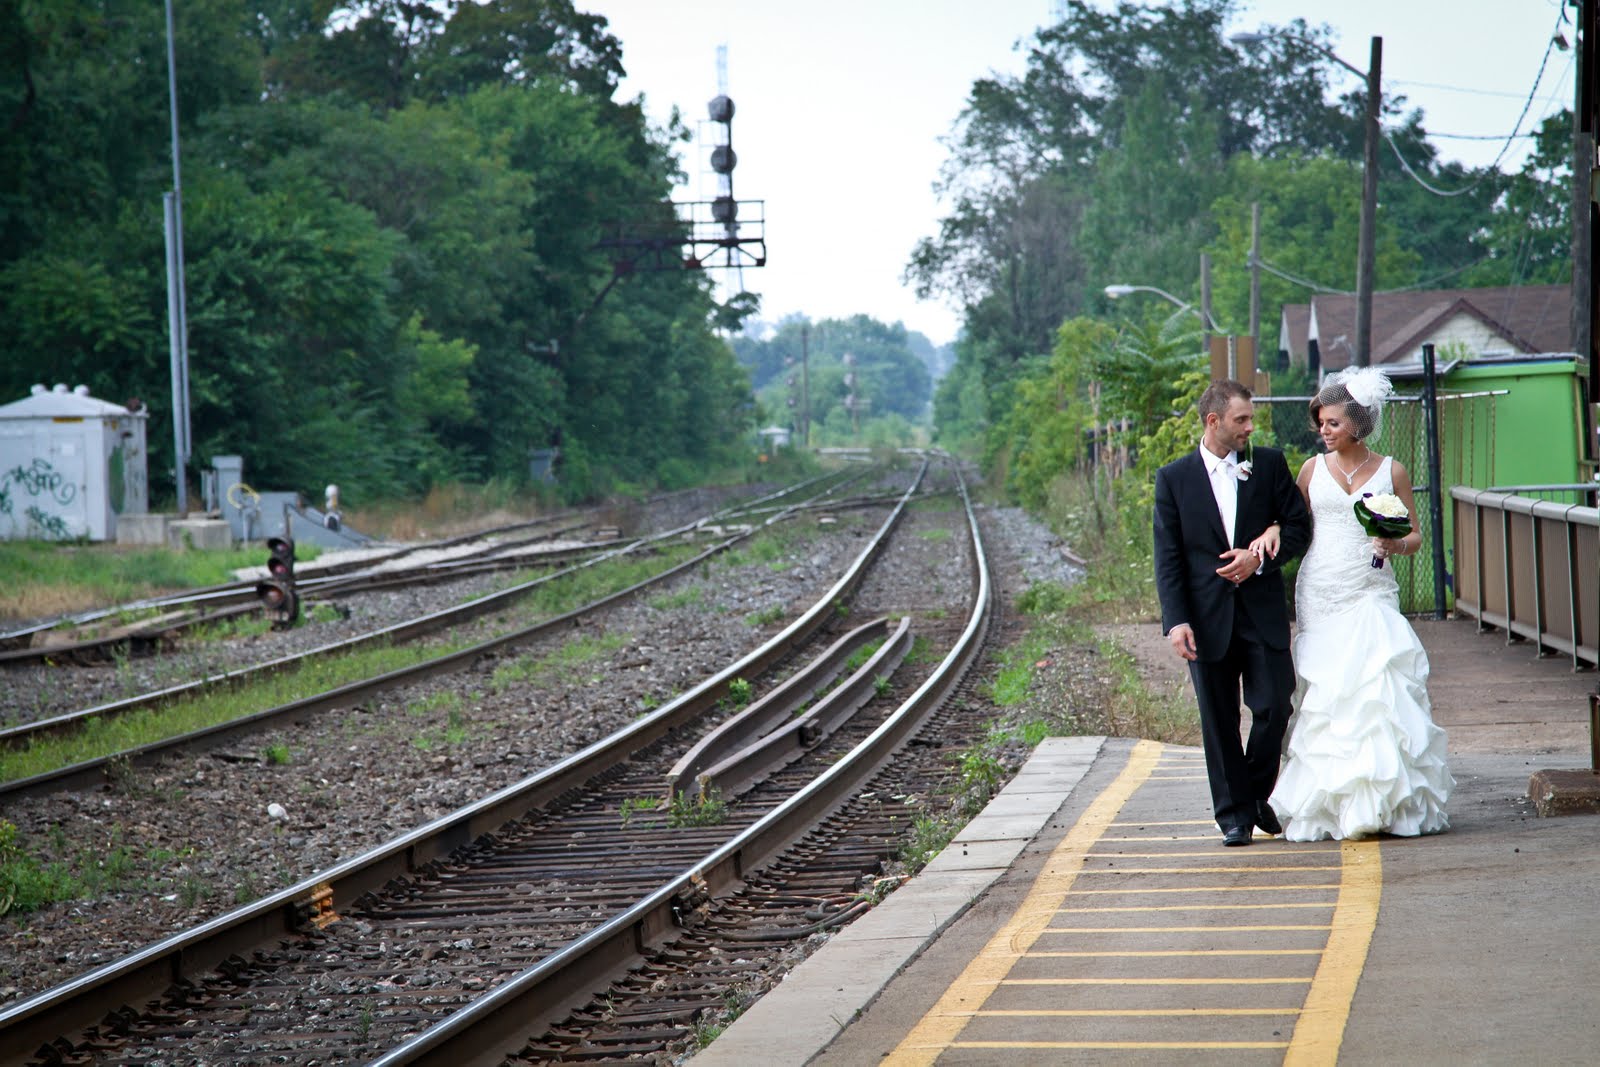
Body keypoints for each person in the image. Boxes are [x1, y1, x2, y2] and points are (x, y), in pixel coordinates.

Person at [1251, 367, 1453, 841]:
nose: (1323, 430)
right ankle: (1329, 803)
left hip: (1370, 587)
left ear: (1359, 425)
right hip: (1321, 587)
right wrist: (1275, 530)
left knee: (1376, 687)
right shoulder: (1309, 471)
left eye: (1333, 423)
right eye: (1320, 423)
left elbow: (1415, 535)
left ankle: (1383, 801)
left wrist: (1393, 544)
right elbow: (1295, 524)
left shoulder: (1391, 472)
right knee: (1327, 694)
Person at [1154, 380, 1312, 846]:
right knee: (1218, 719)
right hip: (1204, 619)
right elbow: (1168, 558)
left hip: (1260, 611)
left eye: (1251, 418)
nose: (1250, 427)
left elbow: (1300, 528)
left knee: (1274, 704)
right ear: (1213, 421)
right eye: (1242, 419)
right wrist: (1176, 620)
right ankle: (1234, 818)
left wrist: (1260, 556)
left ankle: (1252, 792)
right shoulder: (1173, 479)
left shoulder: (1267, 464)